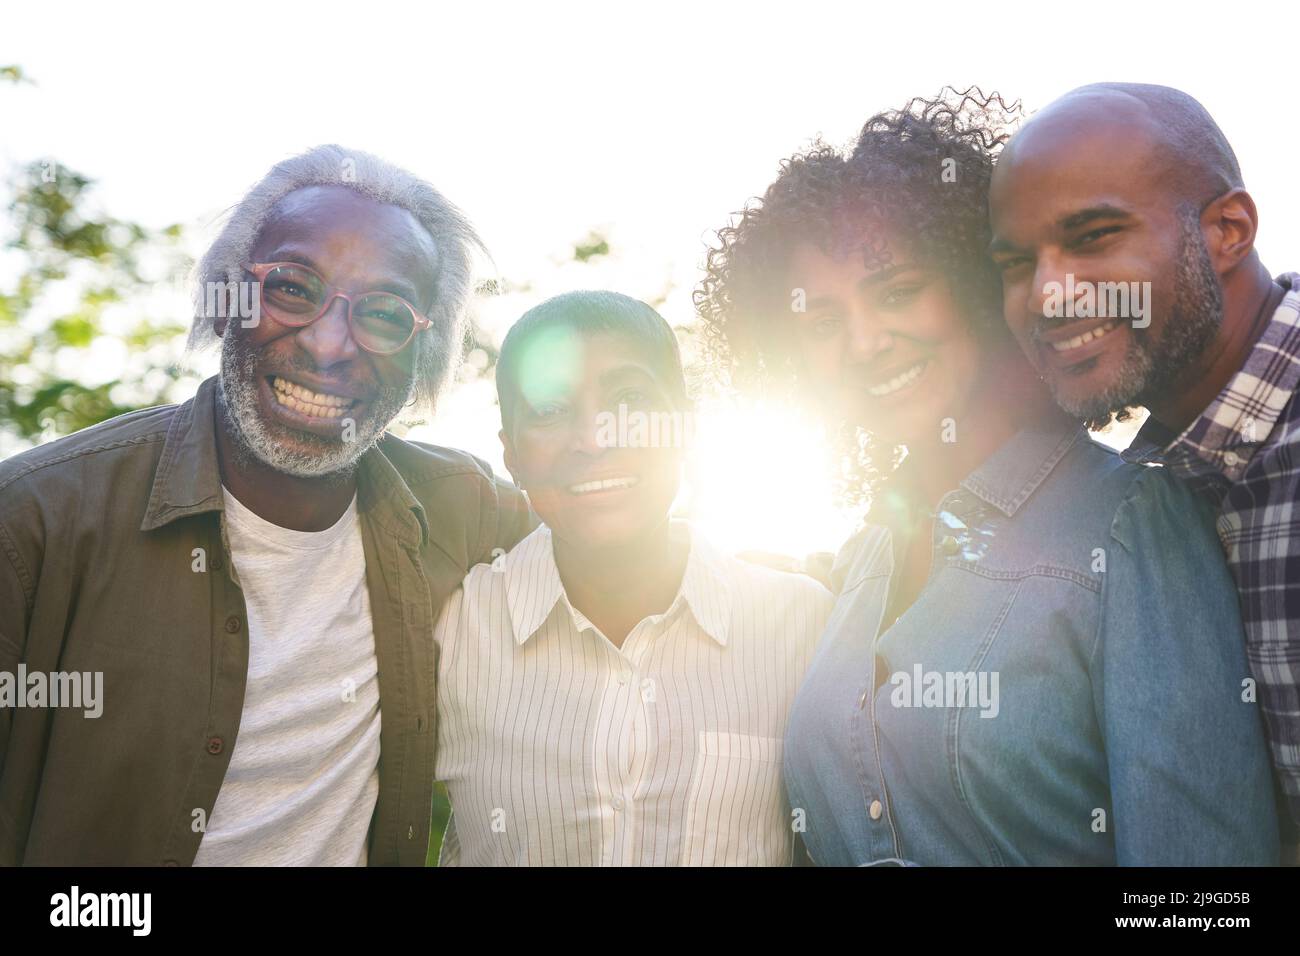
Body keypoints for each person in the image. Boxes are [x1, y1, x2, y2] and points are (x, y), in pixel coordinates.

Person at [696, 90, 1278, 865]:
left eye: (898, 291)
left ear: (974, 291)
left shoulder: (1134, 519)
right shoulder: (862, 561)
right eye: (822, 322)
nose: (865, 342)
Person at [0, 145, 532, 865]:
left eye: (382, 312)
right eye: (289, 288)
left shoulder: (463, 510)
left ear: (421, 355)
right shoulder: (32, 523)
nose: (327, 344)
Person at [988, 82, 1300, 858]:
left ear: (1229, 229)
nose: (1048, 295)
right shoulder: (1142, 491)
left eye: (1093, 236)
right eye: (1017, 262)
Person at [432, 291, 832, 865]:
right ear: (512, 455)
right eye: (548, 410)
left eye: (630, 400)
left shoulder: (801, 626)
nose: (594, 439)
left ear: (685, 429)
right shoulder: (451, 630)